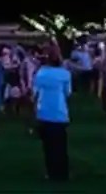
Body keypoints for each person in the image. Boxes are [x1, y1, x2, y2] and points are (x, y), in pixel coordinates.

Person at [33, 43, 72, 182]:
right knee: (61, 146)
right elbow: (68, 93)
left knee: (48, 147)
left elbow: (34, 93)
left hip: (44, 112)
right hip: (60, 112)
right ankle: (63, 173)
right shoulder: (65, 74)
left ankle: (51, 172)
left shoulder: (41, 73)